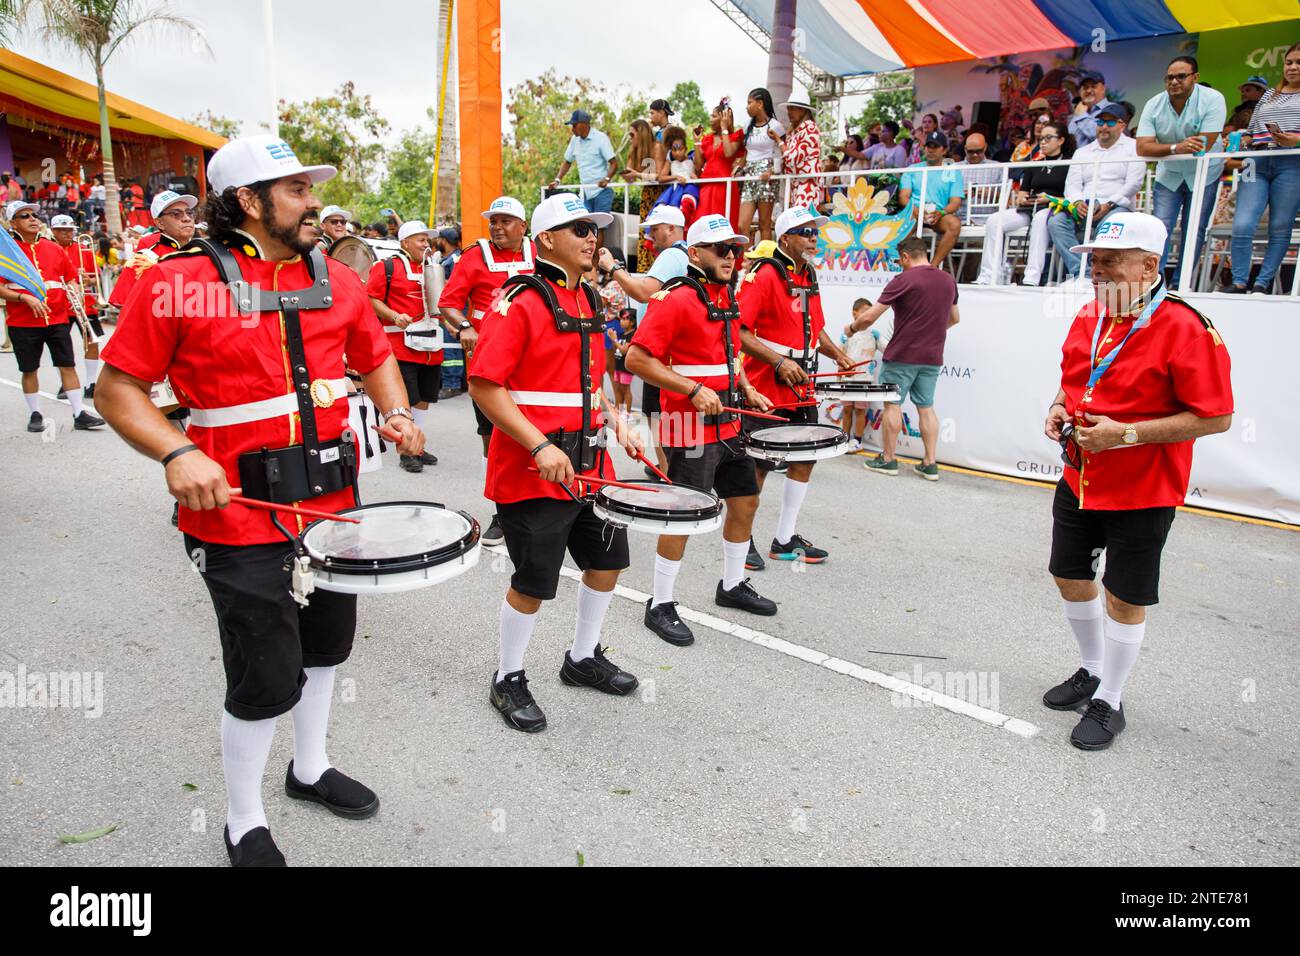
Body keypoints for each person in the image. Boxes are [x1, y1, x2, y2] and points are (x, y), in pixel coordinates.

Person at [94, 134, 425, 865]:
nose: (316, 205)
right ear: (248, 201)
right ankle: (243, 820)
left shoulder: (337, 279)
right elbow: (116, 390)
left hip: (335, 508)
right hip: (236, 516)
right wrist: (177, 452)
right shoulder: (174, 282)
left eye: (312, 190)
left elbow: (377, 359)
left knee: (327, 650)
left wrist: (396, 411)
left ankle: (308, 771)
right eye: (298, 191)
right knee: (263, 671)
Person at [1042, 212, 1232, 750]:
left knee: (1124, 596)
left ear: (1149, 266)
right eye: (1094, 263)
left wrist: (1126, 435)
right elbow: (1071, 380)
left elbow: (1215, 417)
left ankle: (1111, 699)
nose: (1097, 273)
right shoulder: (1089, 316)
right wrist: (1058, 406)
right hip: (1080, 476)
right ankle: (1091, 669)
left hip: (1143, 487)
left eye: (1111, 262)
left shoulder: (1187, 327)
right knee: (1068, 576)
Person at [468, 193, 643, 733]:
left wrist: (617, 420)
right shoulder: (519, 299)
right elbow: (484, 384)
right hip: (532, 469)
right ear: (545, 239)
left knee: (608, 563)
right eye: (578, 229)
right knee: (534, 580)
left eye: (594, 229)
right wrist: (539, 445)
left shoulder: (587, 299)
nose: (593, 238)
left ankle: (582, 657)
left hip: (591, 465)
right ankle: (508, 676)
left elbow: (590, 382)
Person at [626, 213, 779, 647]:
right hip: (688, 428)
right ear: (694, 253)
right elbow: (636, 360)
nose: (731, 256)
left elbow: (730, 355)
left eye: (735, 248)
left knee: (745, 501)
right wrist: (691, 389)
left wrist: (746, 387)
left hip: (730, 422)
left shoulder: (726, 295)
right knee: (682, 516)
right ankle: (660, 603)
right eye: (721, 249)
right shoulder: (673, 298)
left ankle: (731, 585)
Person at [737, 206, 854, 568]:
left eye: (815, 233)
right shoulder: (765, 274)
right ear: (784, 238)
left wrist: (838, 354)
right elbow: (737, 330)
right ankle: (743, 542)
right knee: (758, 465)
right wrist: (778, 362)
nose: (812, 239)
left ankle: (785, 538)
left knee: (805, 458)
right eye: (804, 232)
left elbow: (815, 329)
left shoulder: (809, 277)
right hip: (765, 383)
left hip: (801, 384)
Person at [437, 195, 536, 547]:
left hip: (534, 360)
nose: (497, 227)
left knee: (540, 426)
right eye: (493, 220)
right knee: (493, 436)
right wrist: (465, 326)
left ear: (523, 226)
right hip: (490, 359)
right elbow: (447, 302)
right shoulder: (475, 256)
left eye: (505, 220)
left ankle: (548, 502)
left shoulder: (540, 253)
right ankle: (501, 510)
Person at [850, 236, 959, 480]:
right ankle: (930, 463)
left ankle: (888, 459)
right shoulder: (948, 280)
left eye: (901, 260)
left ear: (906, 256)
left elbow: (868, 318)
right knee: (926, 407)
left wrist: (851, 328)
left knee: (893, 405)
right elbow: (954, 318)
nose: (900, 264)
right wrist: (930, 333)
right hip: (932, 356)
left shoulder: (903, 279)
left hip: (902, 354)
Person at [596, 204, 689, 479]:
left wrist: (613, 269)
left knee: (657, 413)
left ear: (671, 229)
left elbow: (643, 292)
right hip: (673, 349)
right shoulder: (684, 254)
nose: (650, 237)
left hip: (661, 350)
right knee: (668, 414)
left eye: (655, 229)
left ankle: (669, 476)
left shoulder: (672, 254)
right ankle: (675, 472)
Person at [1, 201, 104, 432]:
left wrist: (75, 289)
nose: (33, 219)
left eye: (34, 215)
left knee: (67, 364)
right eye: (24, 215)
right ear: (14, 223)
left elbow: (68, 277)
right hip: (22, 321)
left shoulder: (53, 248)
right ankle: (35, 413)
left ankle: (79, 413)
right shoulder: (6, 253)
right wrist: (23, 298)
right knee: (29, 369)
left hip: (57, 317)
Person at [1135, 56, 1227, 286]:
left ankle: (1180, 284)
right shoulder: (1154, 104)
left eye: (1181, 76)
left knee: (1193, 229)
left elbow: (1201, 145)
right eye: (1170, 77)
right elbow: (1142, 147)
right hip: (1170, 175)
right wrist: (1177, 147)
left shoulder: (1213, 99)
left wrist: (1164, 148)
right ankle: (1156, 283)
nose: (1174, 81)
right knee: (1160, 227)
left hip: (1204, 173)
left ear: (1195, 77)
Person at [366, 220, 445, 473]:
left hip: (431, 345)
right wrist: (393, 316)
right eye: (421, 240)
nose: (426, 245)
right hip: (400, 344)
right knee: (406, 398)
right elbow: (370, 298)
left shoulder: (433, 267)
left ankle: (417, 445)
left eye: (427, 240)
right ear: (405, 243)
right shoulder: (387, 266)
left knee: (424, 397)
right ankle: (405, 450)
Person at [1226, 43, 1300, 294]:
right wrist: (1242, 139)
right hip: (1256, 160)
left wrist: (1295, 140)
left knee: (1280, 225)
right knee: (1243, 223)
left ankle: (1262, 283)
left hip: (1292, 162)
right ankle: (1238, 281)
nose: (1292, 67)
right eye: (1289, 62)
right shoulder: (1269, 94)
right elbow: (1251, 130)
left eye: (1298, 62)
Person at [1048, 103, 1143, 280]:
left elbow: (1134, 183)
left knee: (1111, 223)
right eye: (1100, 122)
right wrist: (1077, 202)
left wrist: (1109, 204)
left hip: (1115, 207)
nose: (1104, 127)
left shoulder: (1133, 148)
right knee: (1056, 222)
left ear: (1122, 125)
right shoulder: (1083, 152)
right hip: (1085, 205)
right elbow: (1072, 184)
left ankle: (1103, 274)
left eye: (1110, 123)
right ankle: (1081, 273)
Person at [976, 121, 1072, 286]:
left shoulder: (1069, 164)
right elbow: (1022, 191)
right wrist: (1022, 198)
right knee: (994, 220)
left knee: (1041, 219)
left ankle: (1031, 277)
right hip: (1029, 208)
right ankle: (989, 275)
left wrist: (1050, 199)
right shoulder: (1034, 163)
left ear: (1061, 140)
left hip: (1053, 208)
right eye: (1041, 138)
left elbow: (1072, 195)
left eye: (1048, 138)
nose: (1042, 142)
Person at [49, 214, 105, 398]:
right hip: (59, 304)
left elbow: (93, 280)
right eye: (62, 230)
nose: (67, 233)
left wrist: (85, 279)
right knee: (61, 345)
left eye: (70, 230)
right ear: (53, 231)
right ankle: (66, 385)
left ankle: (90, 383)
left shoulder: (84, 250)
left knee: (92, 343)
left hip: (84, 304)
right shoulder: (48, 250)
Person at [896, 132, 964, 268]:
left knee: (954, 224)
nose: (930, 149)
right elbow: (903, 197)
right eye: (928, 146)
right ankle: (896, 265)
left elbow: (956, 201)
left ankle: (932, 267)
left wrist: (941, 213)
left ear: (944, 149)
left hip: (937, 215)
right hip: (914, 212)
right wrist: (916, 210)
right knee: (902, 225)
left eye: (935, 146)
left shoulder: (951, 170)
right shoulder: (912, 169)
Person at [551, 109, 619, 241]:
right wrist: (557, 180)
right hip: (585, 193)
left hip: (602, 191)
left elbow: (614, 163)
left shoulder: (600, 138)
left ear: (584, 124)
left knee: (599, 227)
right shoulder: (574, 141)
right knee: (586, 227)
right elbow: (567, 162)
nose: (572, 129)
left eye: (574, 125)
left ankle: (595, 261)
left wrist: (607, 179)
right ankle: (588, 260)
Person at [737, 88, 785, 242]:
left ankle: (765, 262)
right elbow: (746, 152)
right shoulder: (747, 126)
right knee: (742, 224)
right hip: (750, 175)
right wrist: (739, 167)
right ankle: (745, 262)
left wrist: (772, 171)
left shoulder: (776, 126)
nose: (747, 107)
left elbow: (782, 152)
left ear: (760, 104)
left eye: (749, 103)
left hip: (767, 176)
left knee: (764, 224)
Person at [694, 100, 746, 232]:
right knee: (702, 224)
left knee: (722, 226)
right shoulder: (707, 139)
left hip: (725, 187)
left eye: (714, 116)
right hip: (707, 186)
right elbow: (698, 165)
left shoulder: (735, 136)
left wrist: (724, 129)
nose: (710, 119)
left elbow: (728, 153)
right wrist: (696, 142)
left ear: (724, 117)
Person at [780, 94, 823, 211]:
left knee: (803, 223)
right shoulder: (794, 132)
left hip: (807, 184)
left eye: (792, 109)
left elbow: (792, 159)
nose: (789, 112)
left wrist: (779, 142)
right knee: (797, 224)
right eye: (788, 109)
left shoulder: (810, 128)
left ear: (802, 110)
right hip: (795, 185)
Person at [954, 132, 1004, 224]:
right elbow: (943, 197)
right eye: (971, 151)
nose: (975, 155)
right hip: (959, 219)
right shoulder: (955, 168)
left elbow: (1006, 198)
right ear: (965, 149)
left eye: (979, 151)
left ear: (985, 147)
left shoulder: (997, 167)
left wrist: (992, 194)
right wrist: (957, 195)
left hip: (990, 219)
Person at [654, 125, 700, 223]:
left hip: (689, 190)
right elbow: (661, 178)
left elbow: (699, 173)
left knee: (686, 210)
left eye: (680, 149)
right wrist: (675, 177)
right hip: (675, 192)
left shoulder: (692, 158)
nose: (677, 153)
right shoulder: (670, 160)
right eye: (674, 150)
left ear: (686, 148)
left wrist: (695, 178)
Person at [1069, 73, 1112, 148]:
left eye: (1093, 86)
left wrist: (1082, 116)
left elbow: (1104, 138)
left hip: (1099, 159)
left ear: (1103, 89)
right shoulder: (1078, 112)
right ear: (1080, 92)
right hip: (1074, 159)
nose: (1088, 90)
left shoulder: (1112, 108)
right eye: (1085, 87)